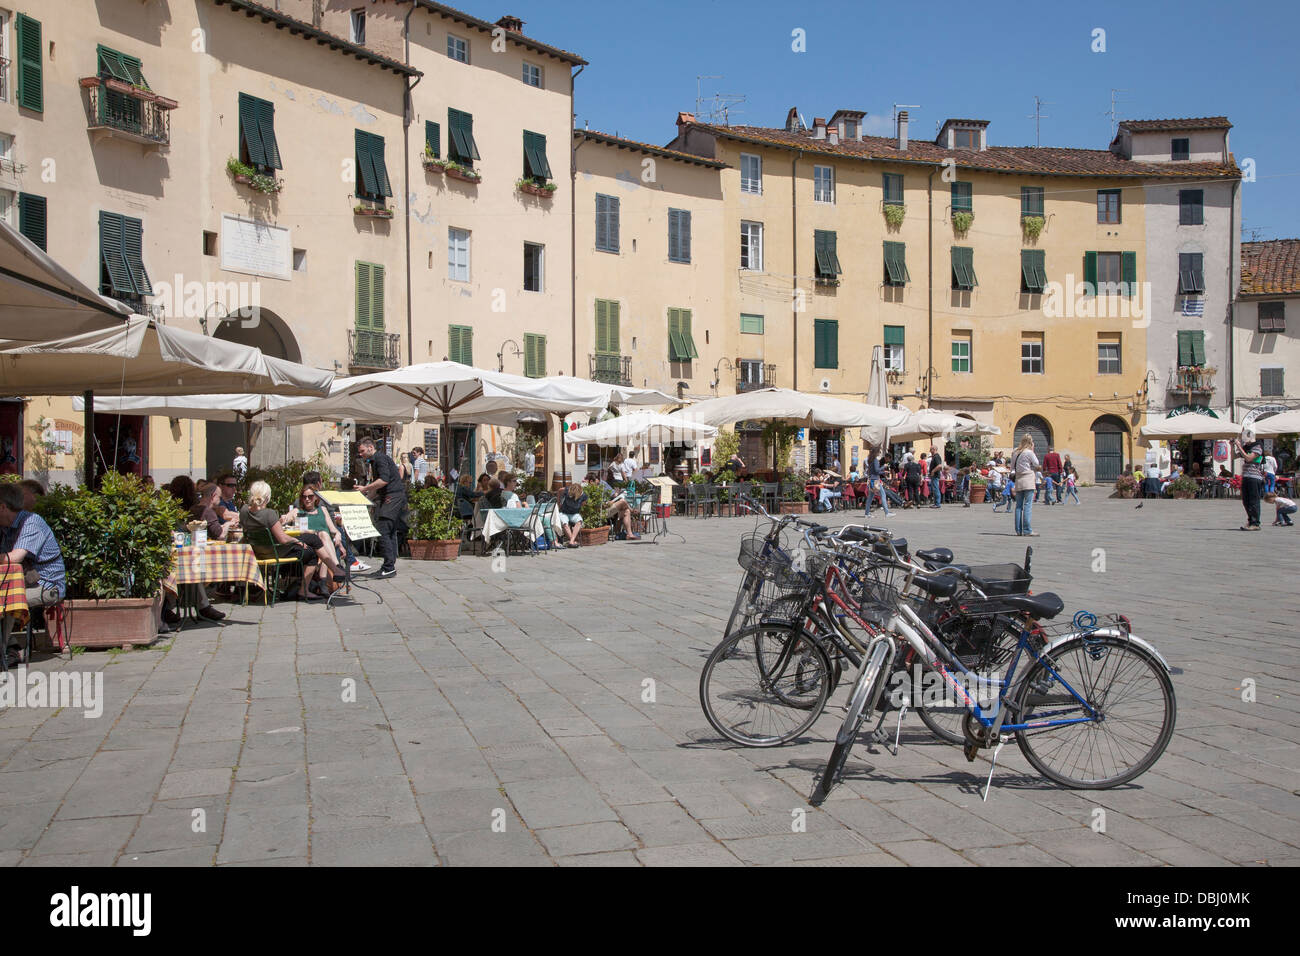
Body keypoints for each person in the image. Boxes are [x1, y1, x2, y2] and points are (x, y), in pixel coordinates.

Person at [240, 480, 341, 599]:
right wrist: (296, 541)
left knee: (312, 539)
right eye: (304, 497)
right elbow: (282, 538)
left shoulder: (244, 510)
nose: (307, 499)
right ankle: (306, 589)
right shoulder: (270, 514)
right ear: (268, 497)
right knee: (312, 551)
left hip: (256, 552)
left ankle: (334, 570)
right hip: (276, 552)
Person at [0, 483, 66, 665]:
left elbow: (15, 557)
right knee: (4, 598)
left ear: (3, 507)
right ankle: (10, 647)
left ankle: (6, 652)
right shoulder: (5, 527)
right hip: (18, 583)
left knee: (5, 600)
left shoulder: (31, 522)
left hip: (46, 585)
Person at [356, 437, 407, 578]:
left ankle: (389, 566)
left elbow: (383, 480)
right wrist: (365, 500)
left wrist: (364, 488)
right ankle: (389, 565)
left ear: (371, 448)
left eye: (362, 451)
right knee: (389, 531)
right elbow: (377, 487)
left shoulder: (379, 459)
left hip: (393, 497)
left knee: (383, 530)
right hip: (392, 497)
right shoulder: (375, 460)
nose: (361, 454)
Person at [1235, 426, 1265, 531]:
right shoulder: (1246, 448)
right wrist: (1233, 446)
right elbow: (1235, 456)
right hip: (1246, 476)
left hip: (1254, 477)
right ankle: (1250, 520)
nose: (1244, 441)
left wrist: (1239, 446)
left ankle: (1255, 523)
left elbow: (1248, 458)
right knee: (1246, 501)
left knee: (1253, 501)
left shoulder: (1258, 446)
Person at [1010, 434, 1041, 536]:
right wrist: (1033, 450)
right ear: (1030, 442)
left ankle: (1018, 530)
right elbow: (1036, 464)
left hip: (1019, 479)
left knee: (1018, 506)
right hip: (1028, 479)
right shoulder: (1029, 452)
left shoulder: (1015, 452)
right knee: (1028, 504)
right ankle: (1027, 530)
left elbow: (1012, 468)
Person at [557, 482, 586, 548]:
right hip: (564, 512)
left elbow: (583, 503)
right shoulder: (566, 490)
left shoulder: (584, 495)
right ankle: (572, 541)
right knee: (565, 523)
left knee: (579, 521)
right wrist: (558, 502)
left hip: (574, 513)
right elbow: (559, 490)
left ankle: (571, 541)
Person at [865, 448, 892, 519]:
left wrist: (883, 472)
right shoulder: (875, 460)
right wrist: (883, 467)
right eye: (879, 453)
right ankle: (887, 513)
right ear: (876, 453)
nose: (879, 454)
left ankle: (867, 513)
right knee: (883, 495)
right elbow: (877, 470)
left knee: (870, 498)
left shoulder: (870, 460)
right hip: (876, 481)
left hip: (871, 480)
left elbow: (873, 471)